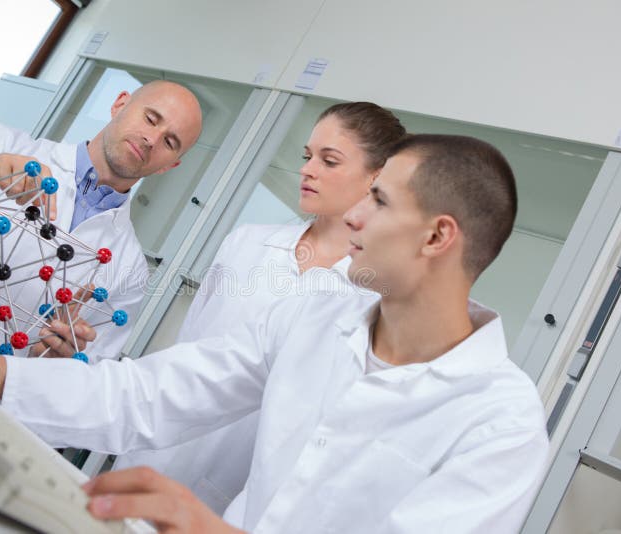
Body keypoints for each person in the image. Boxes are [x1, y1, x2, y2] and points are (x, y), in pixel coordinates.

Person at [0, 134, 549, 532]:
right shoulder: (317, 317)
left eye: (379, 201)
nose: (354, 220)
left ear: (437, 236)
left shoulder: (500, 422)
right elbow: (151, 392)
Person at [112, 102, 406, 513]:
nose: (307, 169)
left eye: (329, 160)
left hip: (233, 501)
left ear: (378, 177)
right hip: (150, 457)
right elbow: (188, 350)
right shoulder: (246, 242)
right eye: (307, 156)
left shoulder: (373, 299)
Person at [0, 80, 202, 361]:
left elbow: (88, 367)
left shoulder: (130, 267)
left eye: (170, 142)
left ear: (169, 166)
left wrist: (56, 360)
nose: (152, 139)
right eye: (151, 118)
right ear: (120, 104)